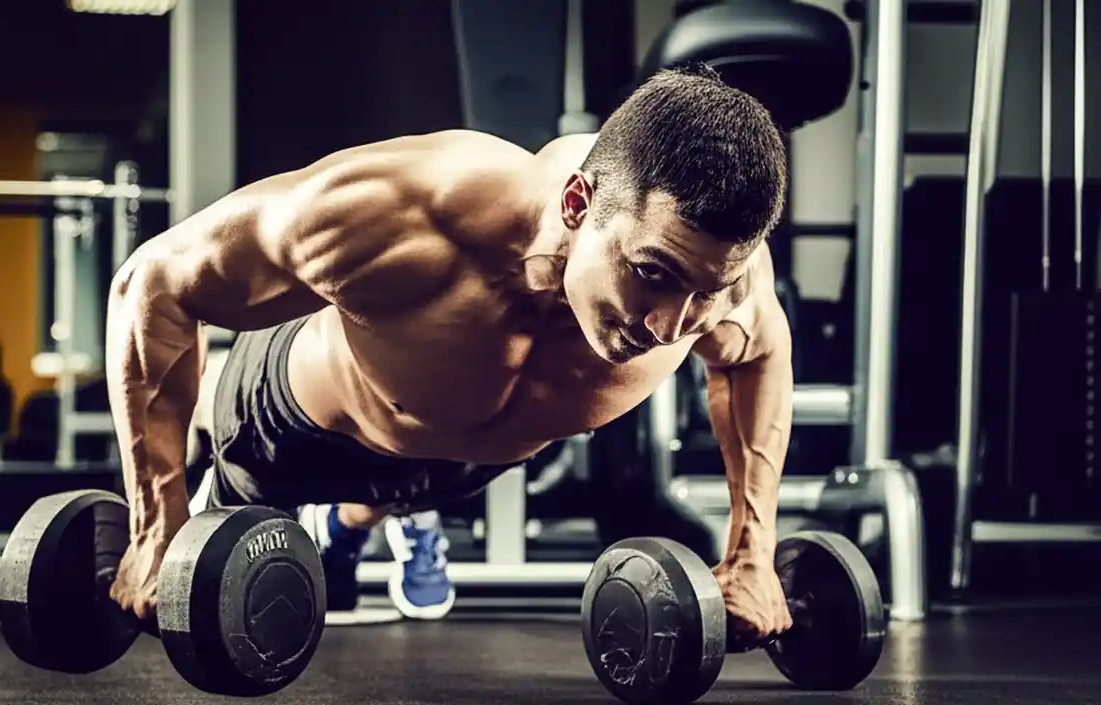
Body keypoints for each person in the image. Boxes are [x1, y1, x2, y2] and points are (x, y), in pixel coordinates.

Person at [106, 64, 794, 642]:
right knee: (231, 577)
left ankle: (355, 521)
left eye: (708, 290)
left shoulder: (724, 278)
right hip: (301, 431)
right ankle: (259, 490)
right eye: (653, 273)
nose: (674, 326)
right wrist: (156, 520)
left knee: (447, 431)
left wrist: (751, 556)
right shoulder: (408, 211)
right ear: (580, 202)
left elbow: (757, 357)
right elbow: (154, 284)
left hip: (470, 464)